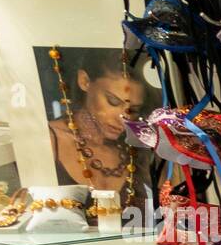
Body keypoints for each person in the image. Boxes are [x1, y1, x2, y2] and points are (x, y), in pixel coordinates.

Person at [47, 48, 149, 199]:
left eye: (133, 110)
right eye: (113, 101)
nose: (124, 119)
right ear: (85, 81)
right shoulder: (49, 140)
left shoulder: (134, 149)